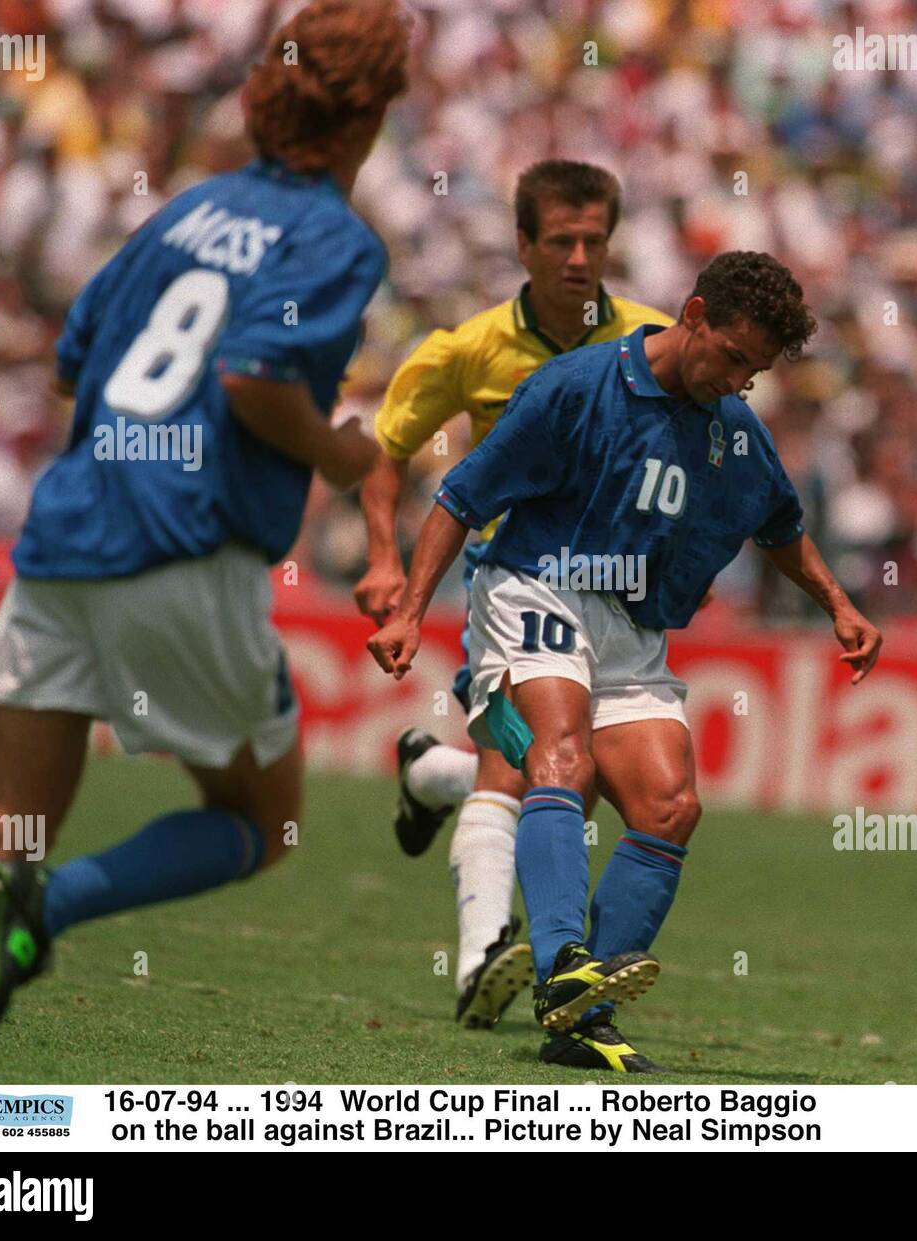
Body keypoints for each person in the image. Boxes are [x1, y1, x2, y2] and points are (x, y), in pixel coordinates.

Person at [0, 0, 411, 1042]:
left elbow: (77, 356)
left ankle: (17, 888)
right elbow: (253, 376)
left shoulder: (185, 212)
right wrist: (342, 451)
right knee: (263, 816)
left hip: (66, 534)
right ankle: (51, 906)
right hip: (183, 546)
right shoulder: (334, 238)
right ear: (368, 119)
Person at [369, 251, 882, 1072]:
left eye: (754, 369)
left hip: (632, 629)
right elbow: (461, 497)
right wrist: (408, 610)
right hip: (538, 585)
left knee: (671, 806)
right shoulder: (577, 387)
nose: (739, 379)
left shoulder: (734, 433)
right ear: (694, 313)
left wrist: (841, 606)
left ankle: (581, 1015)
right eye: (733, 356)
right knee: (560, 760)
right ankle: (562, 962)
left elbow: (779, 527)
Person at [354, 160, 671, 1029]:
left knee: (565, 776)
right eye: (560, 240)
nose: (578, 257)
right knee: (532, 768)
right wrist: (386, 560)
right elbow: (385, 450)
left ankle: (427, 773)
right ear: (523, 244)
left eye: (594, 241)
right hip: (508, 581)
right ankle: (481, 959)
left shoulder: (652, 339)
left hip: (610, 599)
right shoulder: (466, 349)